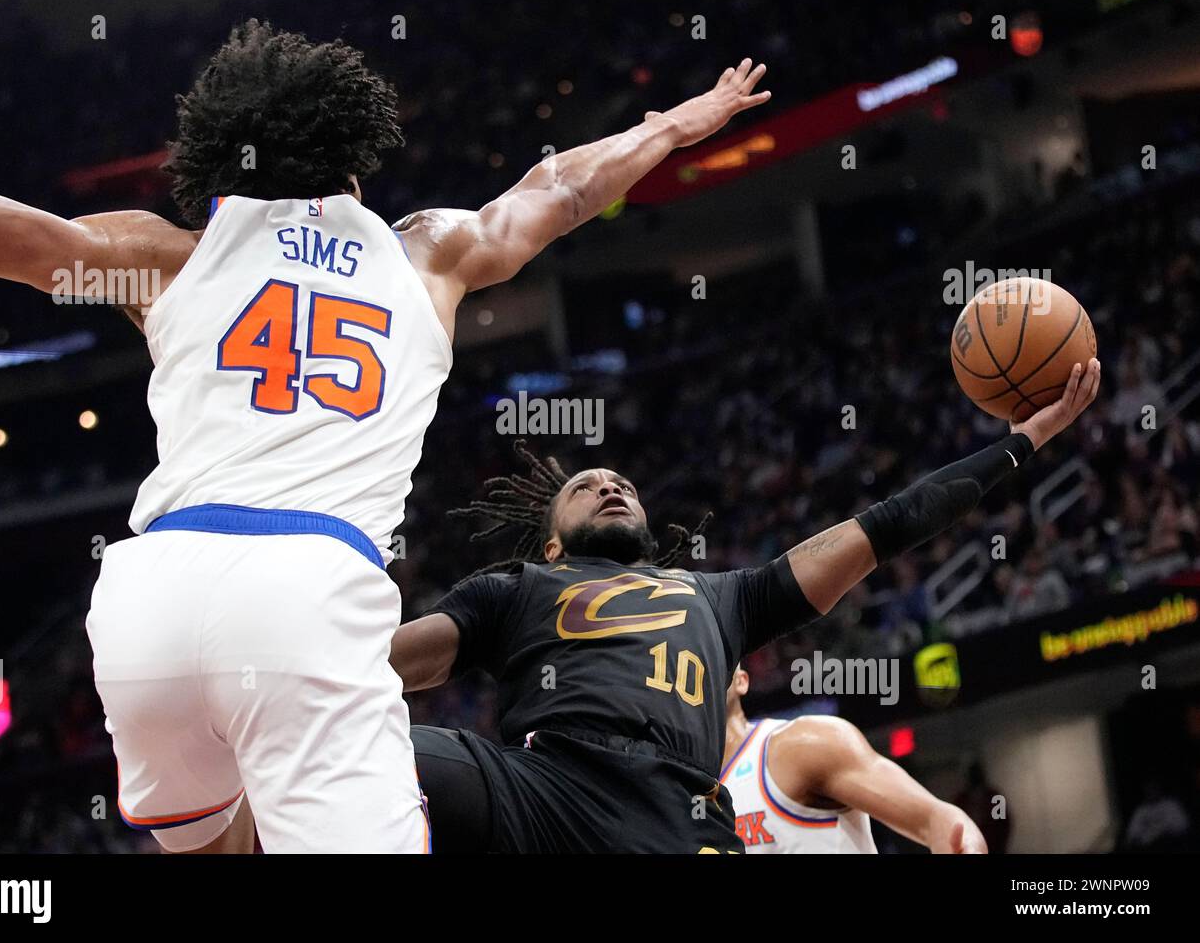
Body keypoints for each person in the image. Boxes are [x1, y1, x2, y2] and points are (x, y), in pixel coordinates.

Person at [0, 19, 773, 852]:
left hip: (146, 599)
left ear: (223, 167)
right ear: (353, 166)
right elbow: (561, 191)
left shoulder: (167, 253)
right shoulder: (427, 252)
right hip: (302, 591)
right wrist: (668, 126)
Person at [393, 361, 1100, 852]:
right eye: (585, 486)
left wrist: (1022, 441)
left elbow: (889, 522)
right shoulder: (515, 590)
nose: (609, 484)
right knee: (383, 754)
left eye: (621, 482)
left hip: (677, 807)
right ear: (551, 546)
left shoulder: (724, 597)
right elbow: (378, 667)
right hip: (546, 791)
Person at [721, 666, 985, 853]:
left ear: (742, 680)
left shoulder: (802, 745)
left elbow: (936, 818)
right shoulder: (682, 796)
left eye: (710, 653)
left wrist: (962, 846)